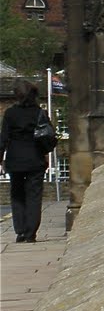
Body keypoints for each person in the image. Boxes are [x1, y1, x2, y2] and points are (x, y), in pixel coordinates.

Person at [0, 80, 51, 243]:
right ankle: (31, 233)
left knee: (17, 195)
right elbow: (47, 136)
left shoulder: (10, 113)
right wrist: (46, 154)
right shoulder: (38, 112)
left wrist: (0, 158)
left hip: (15, 159)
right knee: (34, 196)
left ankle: (20, 231)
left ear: (17, 95)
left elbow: (3, 139)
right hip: (35, 158)